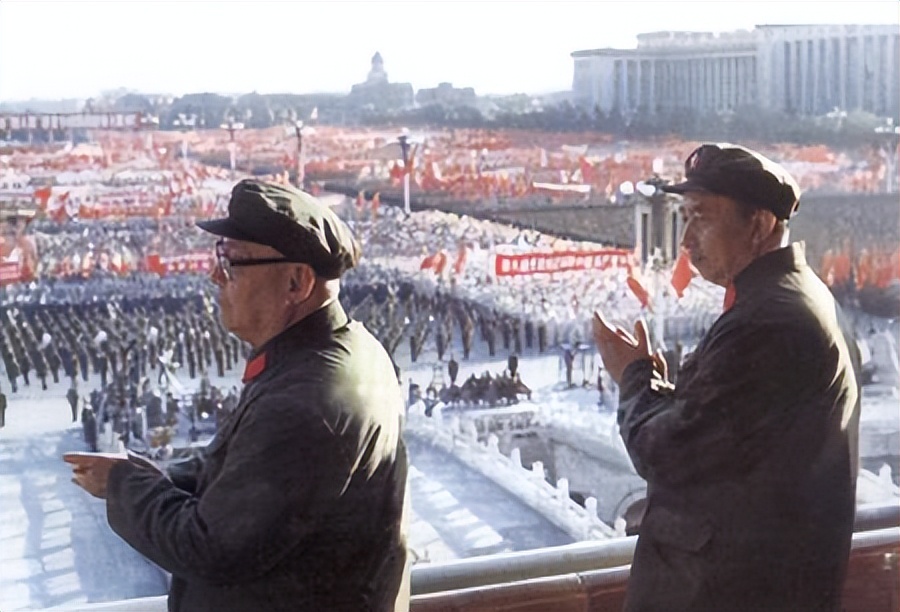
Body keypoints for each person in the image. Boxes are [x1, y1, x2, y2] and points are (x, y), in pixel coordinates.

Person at [65, 179, 410, 612]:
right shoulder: (338, 354)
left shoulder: (306, 398)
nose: (214, 276)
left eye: (231, 262)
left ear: (296, 282)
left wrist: (124, 486)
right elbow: (249, 469)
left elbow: (209, 547)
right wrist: (161, 476)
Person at [592, 143, 860, 612]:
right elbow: (729, 432)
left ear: (757, 224)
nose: (686, 239)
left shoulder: (768, 323)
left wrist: (633, 377)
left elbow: (668, 453)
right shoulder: (790, 298)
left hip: (734, 590)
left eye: (702, 216)